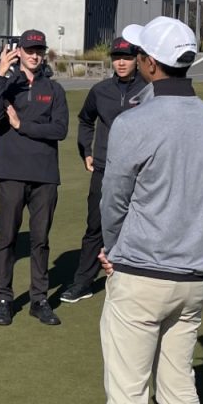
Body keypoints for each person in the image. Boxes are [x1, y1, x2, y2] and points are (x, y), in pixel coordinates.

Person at [67, 16, 203, 404]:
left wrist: (112, 248)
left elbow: (113, 198)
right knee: (179, 389)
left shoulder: (137, 121)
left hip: (141, 276)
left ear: (150, 63)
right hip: (193, 280)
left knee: (128, 399)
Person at [0, 28, 68, 326]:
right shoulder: (8, 84)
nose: (34, 55)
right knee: (7, 238)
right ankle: (4, 299)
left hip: (44, 175)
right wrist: (0, 74)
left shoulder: (54, 89)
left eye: (38, 50)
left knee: (40, 240)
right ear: (18, 51)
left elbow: (59, 130)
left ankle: (39, 300)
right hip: (10, 172)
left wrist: (22, 126)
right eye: (29, 50)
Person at [60, 36, 147, 305]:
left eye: (127, 58)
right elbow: (85, 120)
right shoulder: (100, 90)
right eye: (117, 58)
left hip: (140, 170)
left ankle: (136, 281)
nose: (121, 63)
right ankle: (83, 283)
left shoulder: (149, 89)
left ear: (137, 60)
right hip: (104, 168)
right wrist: (86, 151)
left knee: (138, 226)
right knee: (95, 225)